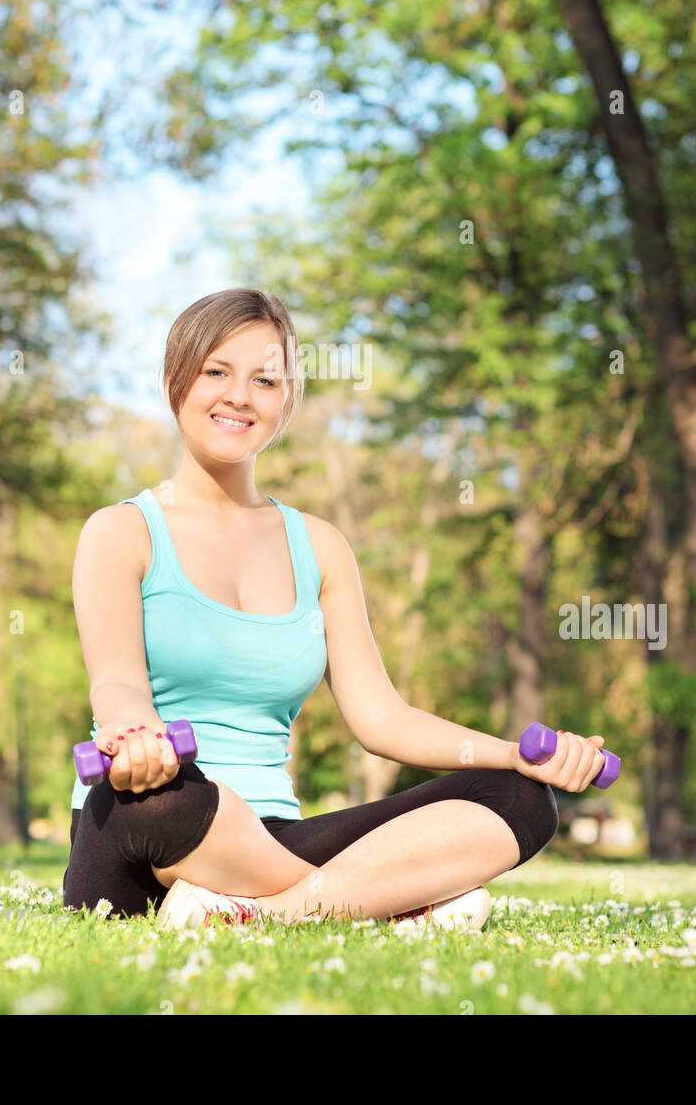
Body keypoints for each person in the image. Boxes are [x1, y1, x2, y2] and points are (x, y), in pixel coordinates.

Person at [61, 288, 608, 927]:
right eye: (216, 371)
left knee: (521, 799)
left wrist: (510, 753)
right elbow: (118, 682)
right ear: (174, 380)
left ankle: (258, 914)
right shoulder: (120, 531)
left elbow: (382, 718)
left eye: (265, 379)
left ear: (287, 401)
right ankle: (384, 898)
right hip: (153, 822)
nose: (239, 395)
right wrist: (136, 737)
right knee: (164, 800)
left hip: (271, 840)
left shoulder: (319, 546)